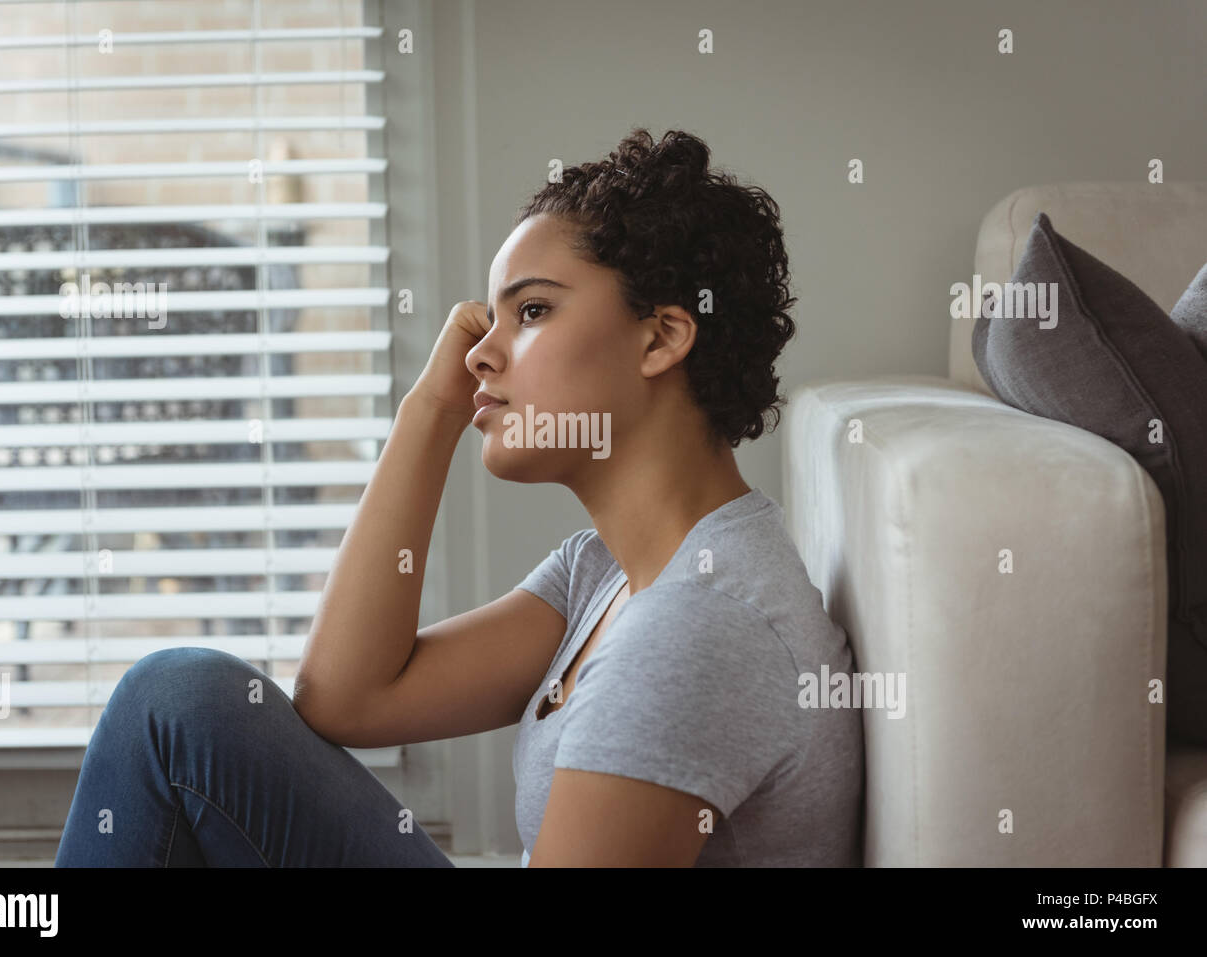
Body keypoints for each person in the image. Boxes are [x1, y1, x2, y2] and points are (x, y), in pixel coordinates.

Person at [55, 128, 863, 867]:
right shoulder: (606, 574)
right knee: (183, 703)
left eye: (534, 310)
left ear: (660, 337)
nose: (480, 354)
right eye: (490, 322)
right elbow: (347, 697)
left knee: (171, 707)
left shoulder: (697, 626)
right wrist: (431, 410)